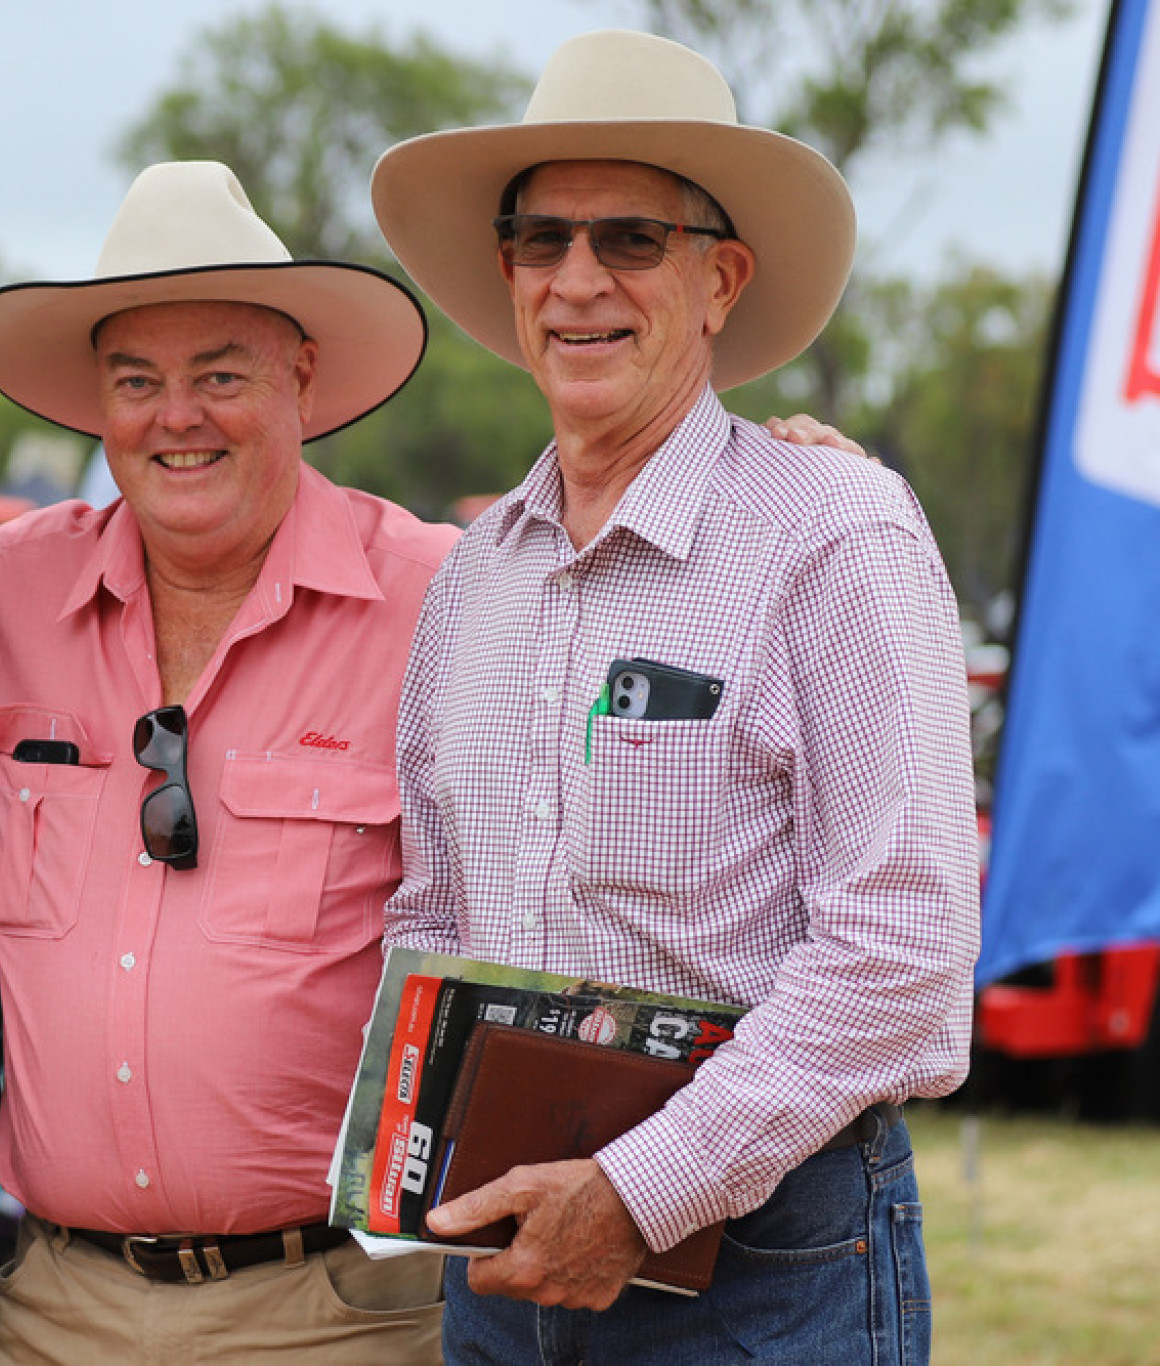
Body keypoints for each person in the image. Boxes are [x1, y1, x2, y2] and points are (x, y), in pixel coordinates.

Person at [0, 163, 861, 1365]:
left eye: (221, 374)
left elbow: (661, 600)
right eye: (137, 379)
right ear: (97, 406)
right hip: (55, 1306)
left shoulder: (456, 597)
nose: (176, 415)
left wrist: (767, 481)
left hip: (345, 1311)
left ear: (303, 383)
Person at [370, 30, 980, 1364]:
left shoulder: (834, 535)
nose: (579, 279)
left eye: (632, 238)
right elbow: (433, 905)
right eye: (541, 240)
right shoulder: (475, 573)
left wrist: (640, 1192)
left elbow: (902, 947)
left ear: (721, 281)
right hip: (506, 1244)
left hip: (766, 1255)